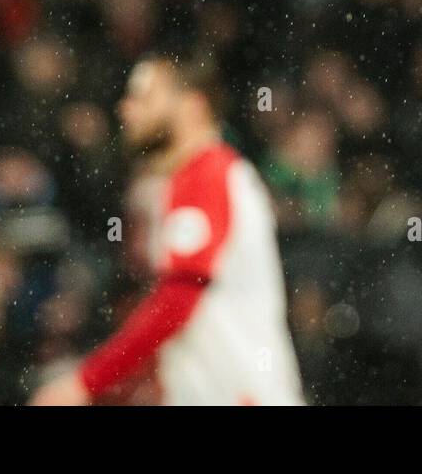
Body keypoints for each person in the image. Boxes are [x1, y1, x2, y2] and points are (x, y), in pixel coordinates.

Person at [31, 54, 304, 405]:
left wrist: (85, 381)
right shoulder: (199, 177)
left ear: (192, 106)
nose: (126, 109)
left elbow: (180, 297)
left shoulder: (206, 174)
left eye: (144, 97)